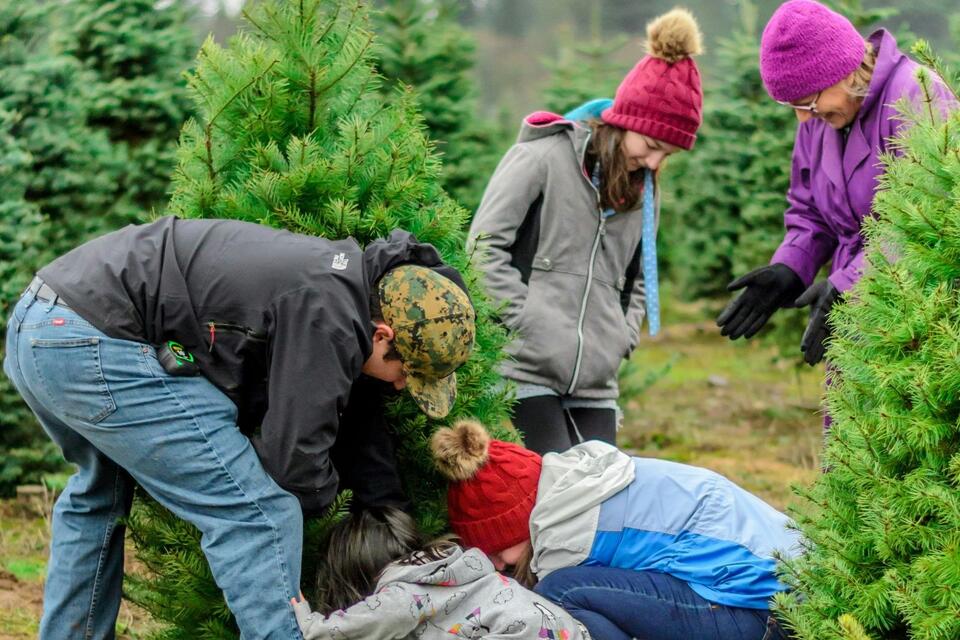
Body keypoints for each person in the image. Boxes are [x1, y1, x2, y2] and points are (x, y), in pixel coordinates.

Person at [3, 215, 475, 639]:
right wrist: (333, 507)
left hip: (44, 322)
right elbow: (293, 465)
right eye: (406, 373)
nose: (400, 386)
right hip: (92, 341)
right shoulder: (328, 316)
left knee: (98, 497)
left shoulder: (339, 279)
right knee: (260, 513)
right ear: (383, 334)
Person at [467, 8, 703, 454]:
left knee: (602, 488)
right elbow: (484, 247)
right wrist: (522, 322)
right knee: (558, 484)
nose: (655, 162)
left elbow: (637, 280)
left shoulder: (645, 190)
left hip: (595, 379)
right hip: (523, 368)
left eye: (667, 155)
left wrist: (620, 338)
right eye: (652, 145)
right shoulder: (542, 158)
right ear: (625, 122)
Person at [717, 0, 957, 367]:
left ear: (842, 71)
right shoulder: (819, 119)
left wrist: (850, 285)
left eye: (807, 102)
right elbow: (809, 210)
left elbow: (929, 215)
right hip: (854, 316)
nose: (803, 118)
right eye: (791, 106)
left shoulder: (917, 96)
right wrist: (791, 266)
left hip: (923, 313)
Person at [430, 420, 799, 640]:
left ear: (515, 524)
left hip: (762, 611)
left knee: (557, 592)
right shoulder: (586, 482)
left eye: (494, 550)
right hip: (795, 585)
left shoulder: (566, 536)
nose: (496, 564)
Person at [291, 507, 590, 639]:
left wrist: (312, 626)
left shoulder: (404, 590)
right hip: (567, 630)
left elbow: (372, 619)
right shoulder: (449, 568)